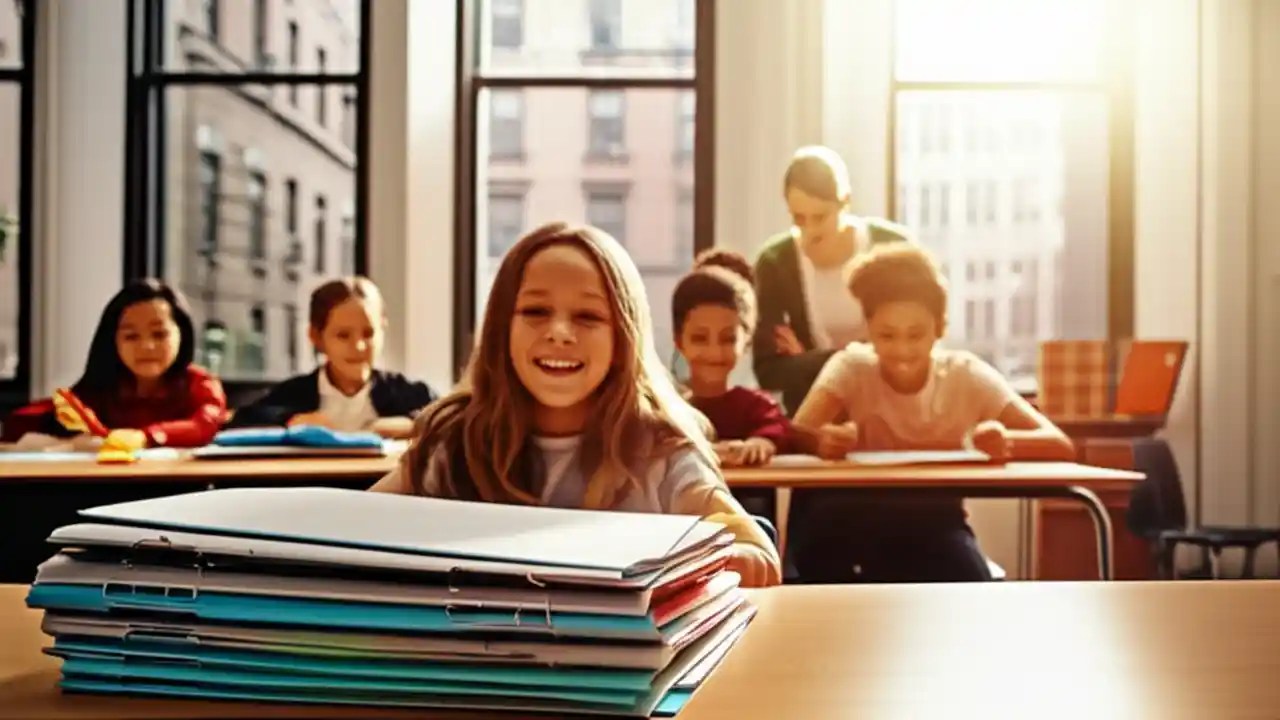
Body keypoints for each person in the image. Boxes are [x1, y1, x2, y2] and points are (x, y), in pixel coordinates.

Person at [369, 222, 781, 588]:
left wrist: (689, 563)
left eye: (587, 316)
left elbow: (757, 553)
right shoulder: (457, 441)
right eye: (535, 311)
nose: (561, 333)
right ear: (501, 329)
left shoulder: (661, 449)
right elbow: (348, 526)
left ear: (623, 337)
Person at [790, 243, 1075, 582]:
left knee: (974, 591)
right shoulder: (852, 366)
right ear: (868, 329)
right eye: (887, 335)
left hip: (935, 522)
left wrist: (1006, 442)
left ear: (940, 328)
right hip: (852, 519)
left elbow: (1060, 445)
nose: (902, 350)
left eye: (916, 334)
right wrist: (821, 442)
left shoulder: (964, 374)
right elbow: (794, 433)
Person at [752, 145, 912, 415]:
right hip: (814, 416)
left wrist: (807, 360)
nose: (809, 231)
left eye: (820, 217)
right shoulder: (775, 263)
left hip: (893, 410)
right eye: (798, 218)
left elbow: (913, 346)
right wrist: (864, 353)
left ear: (845, 202)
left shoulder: (893, 246)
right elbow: (768, 371)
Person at [2, 279, 226, 447]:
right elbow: (30, 422)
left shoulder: (201, 384)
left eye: (159, 335)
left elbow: (204, 424)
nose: (146, 346)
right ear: (113, 340)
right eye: (131, 336)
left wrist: (145, 437)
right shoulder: (103, 386)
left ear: (182, 335)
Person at [230, 277, 437, 437]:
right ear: (316, 336)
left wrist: (411, 423)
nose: (358, 346)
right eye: (343, 335)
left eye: (369, 333)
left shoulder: (403, 391)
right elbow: (240, 422)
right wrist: (292, 420)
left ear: (383, 329)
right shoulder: (295, 393)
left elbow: (449, 416)